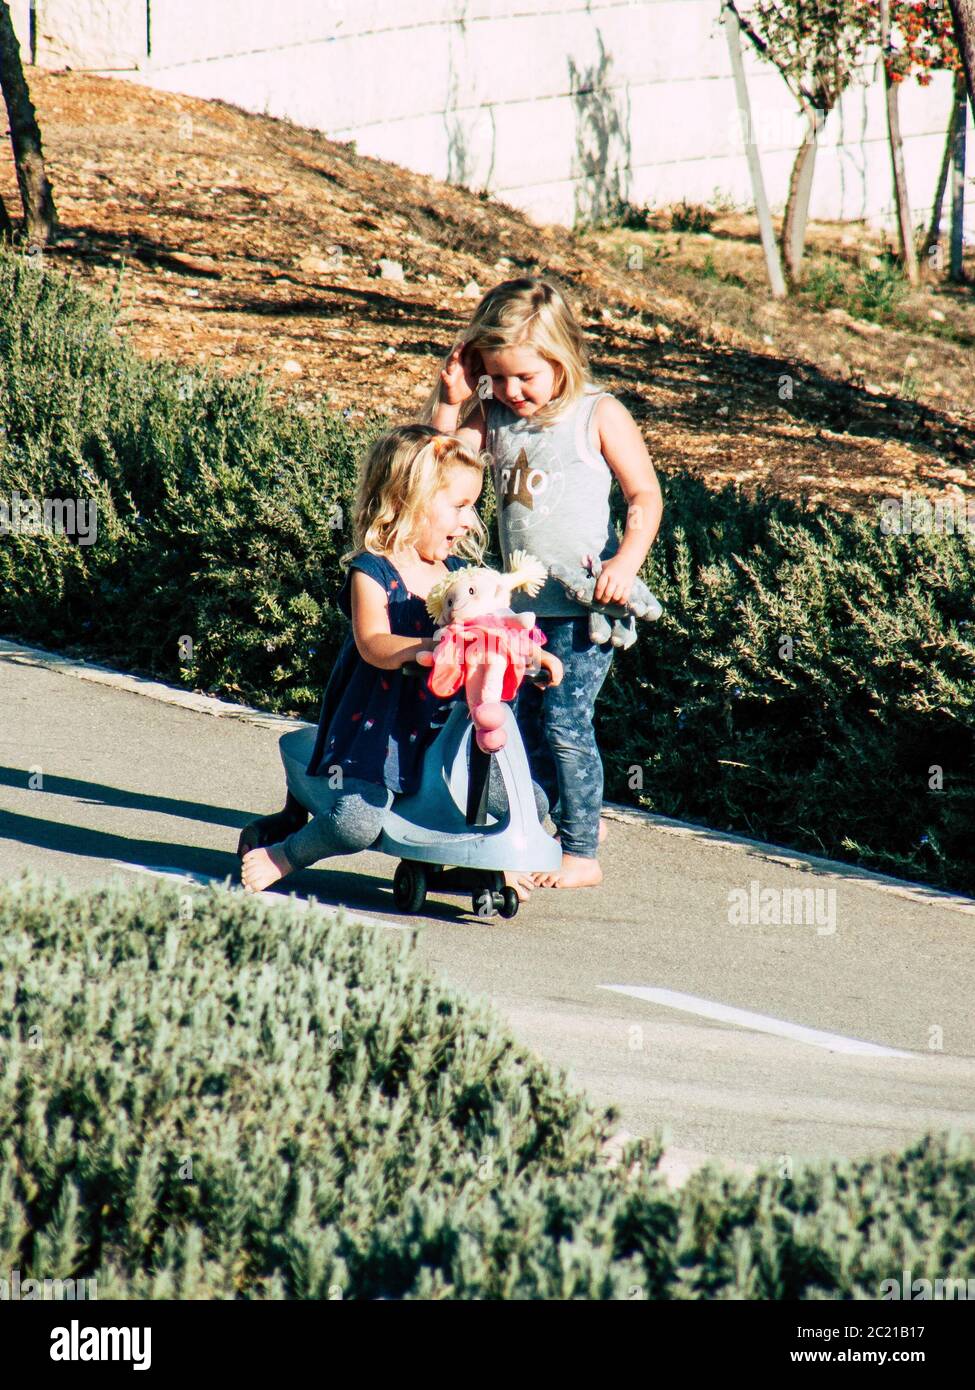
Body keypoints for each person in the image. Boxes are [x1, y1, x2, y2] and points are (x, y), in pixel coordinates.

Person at [240, 424, 563, 896]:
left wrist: (530, 653)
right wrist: (423, 650)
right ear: (409, 501)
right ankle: (283, 855)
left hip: (445, 734)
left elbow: (493, 622)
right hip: (377, 731)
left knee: (527, 801)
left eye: (473, 507)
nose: (471, 522)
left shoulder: (459, 576)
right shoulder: (372, 570)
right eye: (459, 507)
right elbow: (372, 641)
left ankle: (483, 862)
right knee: (357, 823)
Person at [429, 277, 663, 889]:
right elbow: (437, 472)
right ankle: (549, 824)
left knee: (564, 720)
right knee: (518, 727)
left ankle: (581, 851)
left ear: (562, 357)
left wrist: (627, 562)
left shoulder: (599, 413)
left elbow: (644, 495)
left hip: (587, 608)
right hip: (519, 617)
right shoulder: (494, 418)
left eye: (526, 377)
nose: (511, 391)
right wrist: (451, 400)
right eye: (498, 376)